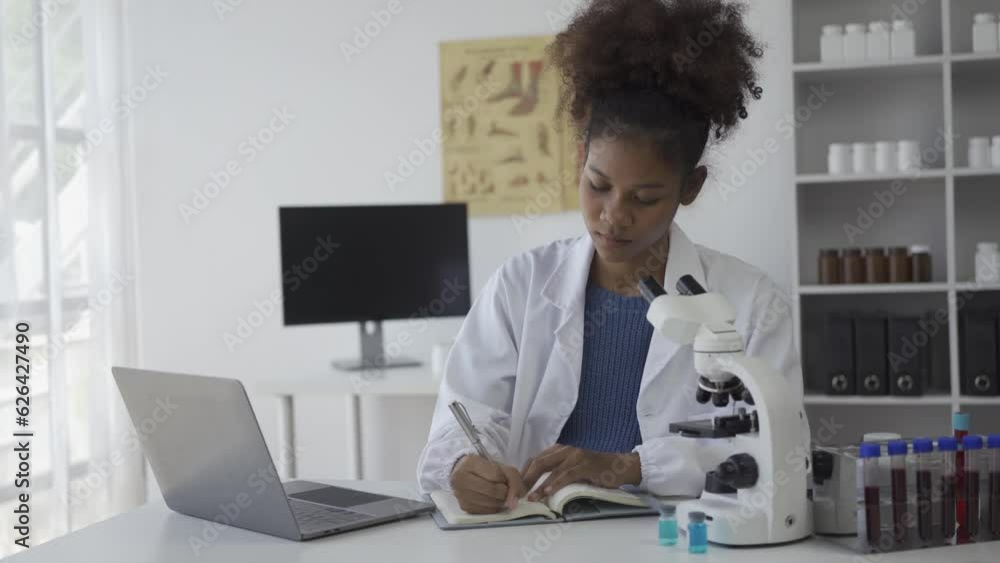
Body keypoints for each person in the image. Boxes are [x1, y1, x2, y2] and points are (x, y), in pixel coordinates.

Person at [417, 0, 805, 515]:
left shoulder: (751, 301)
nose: (613, 217)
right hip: (534, 538)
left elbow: (778, 450)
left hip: (681, 541)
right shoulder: (523, 284)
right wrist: (461, 464)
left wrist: (633, 466)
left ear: (690, 187)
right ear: (580, 159)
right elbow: (463, 415)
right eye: (598, 186)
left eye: (644, 199)